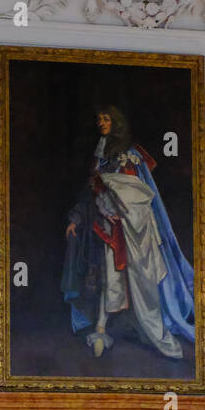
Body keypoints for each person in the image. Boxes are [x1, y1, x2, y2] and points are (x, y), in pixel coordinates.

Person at [61, 106, 194, 360]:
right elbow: (90, 191)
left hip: (132, 230)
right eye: (98, 118)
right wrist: (76, 218)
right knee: (107, 279)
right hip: (105, 228)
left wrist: (108, 191)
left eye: (106, 118)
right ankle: (100, 328)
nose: (101, 122)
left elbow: (136, 195)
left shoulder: (129, 155)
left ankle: (145, 330)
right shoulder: (99, 154)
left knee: (137, 282)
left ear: (116, 123)